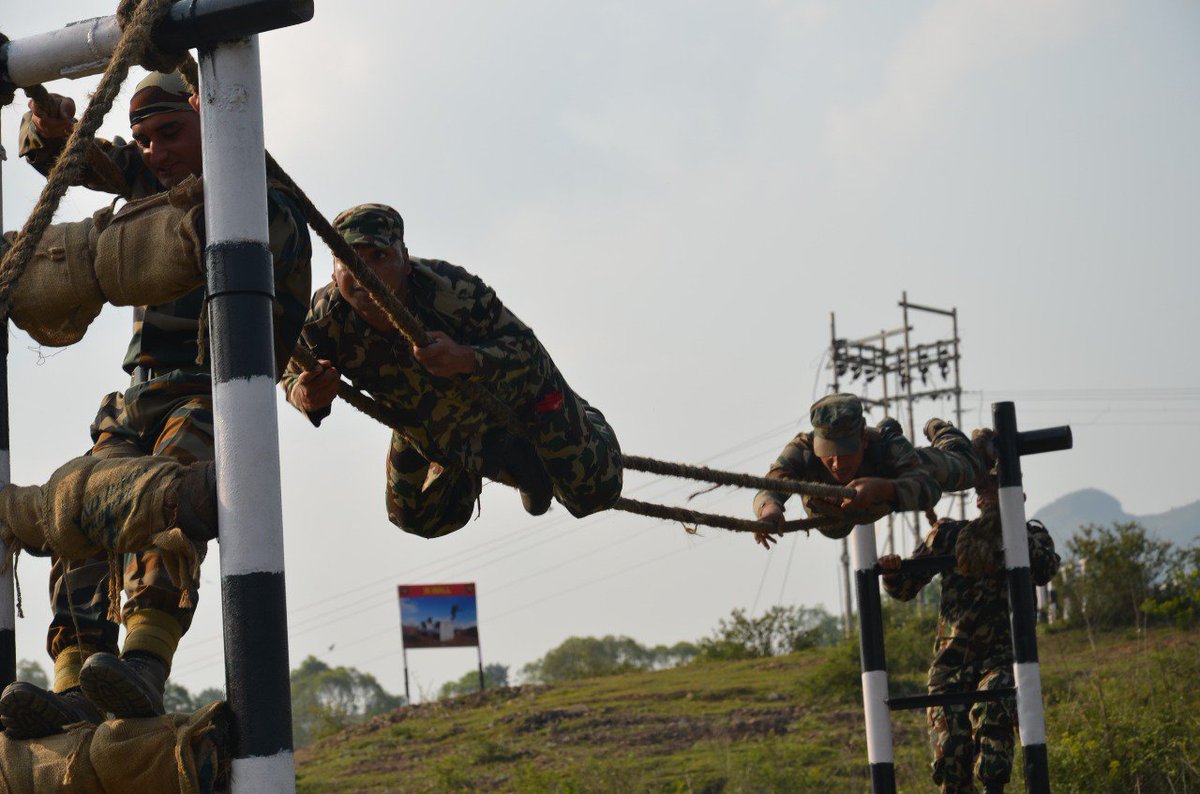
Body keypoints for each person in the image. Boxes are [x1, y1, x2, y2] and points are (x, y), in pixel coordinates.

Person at [0, 71, 312, 738]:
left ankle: (144, 660)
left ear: (210, 118)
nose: (155, 151)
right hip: (138, 392)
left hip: (209, 390)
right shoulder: (147, 179)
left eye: (170, 133)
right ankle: (76, 683)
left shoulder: (263, 201)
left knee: (168, 500)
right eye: (144, 140)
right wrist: (50, 127)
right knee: (77, 507)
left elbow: (285, 327)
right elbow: (66, 156)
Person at [280, 203, 622, 538]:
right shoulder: (325, 318)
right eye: (350, 260)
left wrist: (466, 358)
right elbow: (290, 372)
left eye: (379, 257)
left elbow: (527, 351)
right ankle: (490, 460)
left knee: (593, 493)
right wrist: (305, 395)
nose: (364, 273)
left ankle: (577, 426)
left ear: (405, 261)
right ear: (333, 271)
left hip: (517, 398)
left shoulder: (451, 291)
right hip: (427, 419)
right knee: (414, 517)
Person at [879, 482, 1060, 794]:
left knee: (994, 724)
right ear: (976, 500)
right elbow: (905, 589)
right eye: (987, 493)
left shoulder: (1029, 536)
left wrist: (1011, 526)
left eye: (999, 493)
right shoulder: (950, 535)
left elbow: (1044, 568)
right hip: (952, 664)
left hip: (1002, 659)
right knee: (950, 759)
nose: (991, 501)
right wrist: (893, 572)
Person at [752, 393, 942, 545]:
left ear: (864, 438)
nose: (837, 464)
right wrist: (770, 510)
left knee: (958, 467)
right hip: (829, 516)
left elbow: (929, 488)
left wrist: (882, 488)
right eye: (827, 452)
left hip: (884, 489)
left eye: (846, 452)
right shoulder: (803, 448)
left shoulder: (886, 444)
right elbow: (771, 484)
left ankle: (946, 435)